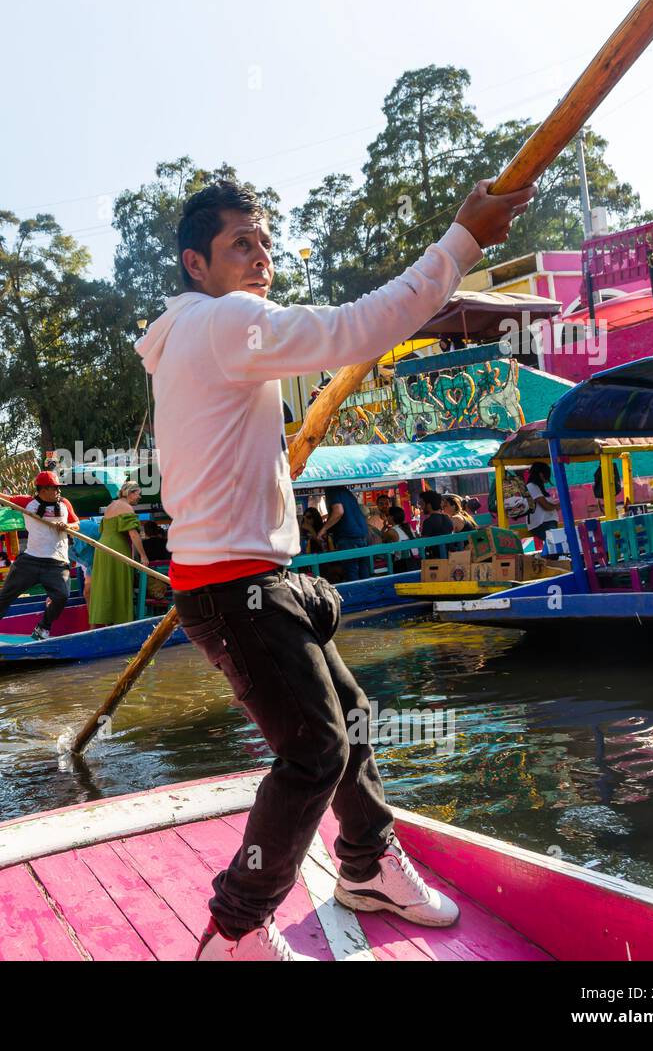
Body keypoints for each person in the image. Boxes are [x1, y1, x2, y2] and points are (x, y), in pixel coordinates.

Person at [136, 174, 531, 959]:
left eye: (265, 242)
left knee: (349, 717)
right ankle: (235, 930)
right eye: (239, 244)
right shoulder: (225, 322)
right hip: (233, 587)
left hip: (251, 578)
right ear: (194, 263)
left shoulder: (192, 334)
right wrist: (465, 238)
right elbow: (361, 326)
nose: (261, 257)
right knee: (315, 749)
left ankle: (366, 864)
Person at [0, 471, 80, 641]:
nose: (57, 491)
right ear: (42, 490)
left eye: (57, 488)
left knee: (62, 596)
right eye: (54, 488)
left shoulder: (64, 503)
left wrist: (68, 526)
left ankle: (42, 628)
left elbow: (77, 523)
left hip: (57, 562)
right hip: (30, 560)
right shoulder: (27, 503)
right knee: (7, 594)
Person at [89, 480, 150, 628]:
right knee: (118, 584)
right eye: (138, 494)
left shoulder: (110, 506)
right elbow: (133, 534)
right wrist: (143, 556)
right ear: (130, 492)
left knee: (104, 586)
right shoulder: (127, 508)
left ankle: (104, 620)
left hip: (102, 548)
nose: (139, 497)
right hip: (116, 550)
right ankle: (121, 622)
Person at [320, 484, 368, 582]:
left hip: (348, 537)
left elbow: (338, 511)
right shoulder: (346, 492)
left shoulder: (332, 489)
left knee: (351, 573)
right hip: (361, 535)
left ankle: (355, 596)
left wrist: (323, 529)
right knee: (364, 572)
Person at [525, 462, 561, 546]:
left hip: (546, 523)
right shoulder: (532, 486)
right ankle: (541, 558)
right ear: (541, 474)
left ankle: (542, 558)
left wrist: (555, 507)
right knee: (554, 546)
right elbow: (546, 506)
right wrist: (558, 506)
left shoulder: (537, 487)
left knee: (554, 546)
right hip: (541, 524)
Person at [383, 506, 418, 572]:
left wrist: (384, 527)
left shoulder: (391, 531)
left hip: (401, 564)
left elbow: (382, 539)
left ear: (391, 517)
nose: (386, 517)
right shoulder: (408, 526)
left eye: (387, 515)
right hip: (414, 561)